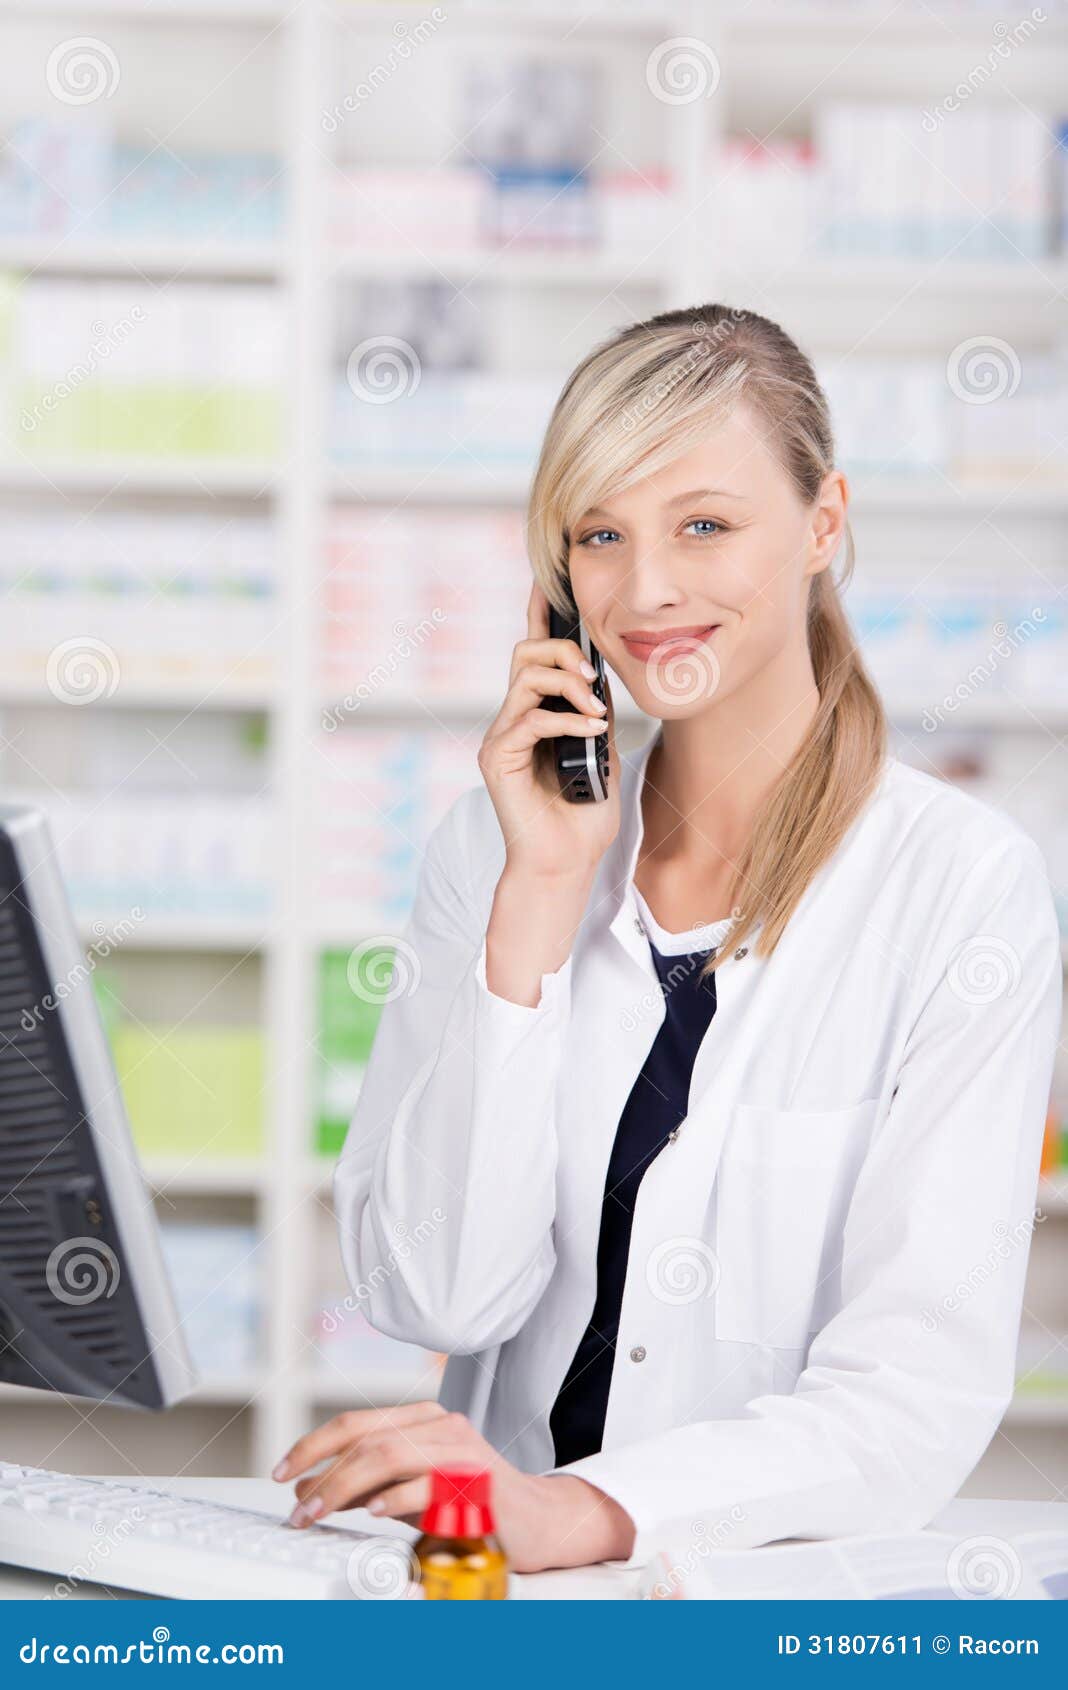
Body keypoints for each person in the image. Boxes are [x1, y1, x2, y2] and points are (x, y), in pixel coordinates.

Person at [272, 305, 1063, 1574]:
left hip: (754, 1609)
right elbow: (433, 1298)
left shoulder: (958, 889)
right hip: (489, 1599)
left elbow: (913, 1390)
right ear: (556, 587)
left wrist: (580, 1512)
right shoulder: (493, 850)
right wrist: (537, 898)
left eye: (704, 524)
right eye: (601, 535)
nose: (647, 590)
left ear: (822, 522)